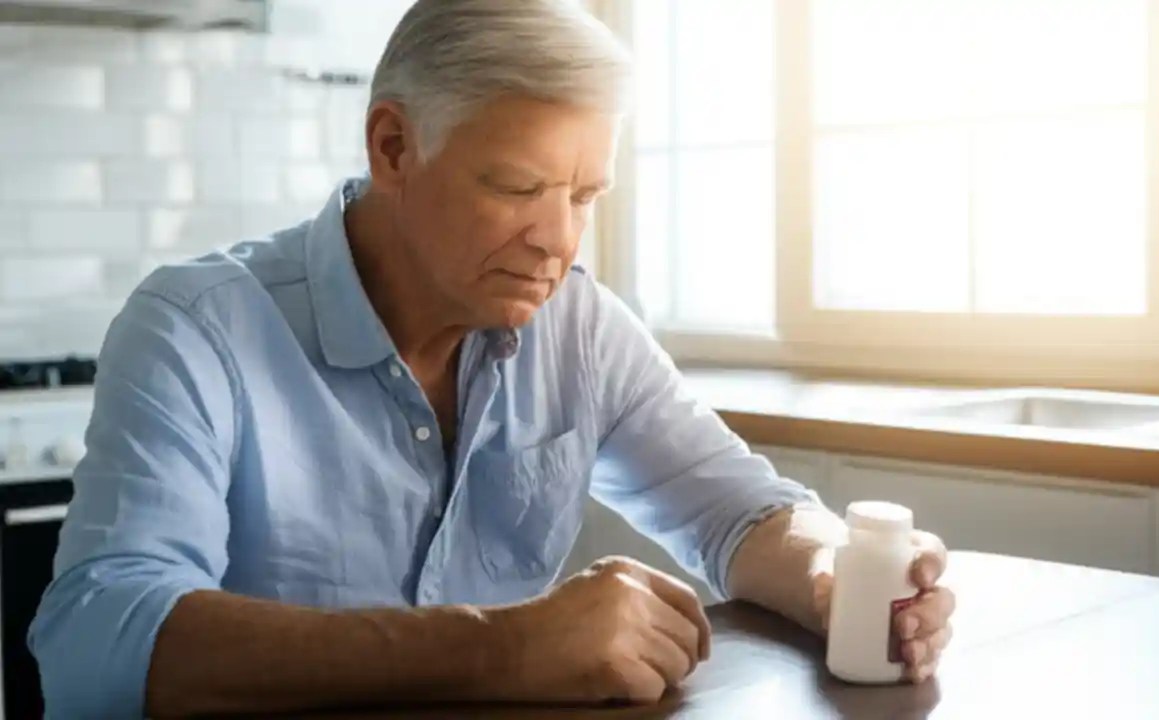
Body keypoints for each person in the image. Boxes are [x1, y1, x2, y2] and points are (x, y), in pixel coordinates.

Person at [29, 1, 955, 716]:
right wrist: (499, 647)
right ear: (393, 146)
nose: (558, 240)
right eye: (518, 187)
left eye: (586, 195)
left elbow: (743, 515)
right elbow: (96, 646)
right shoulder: (196, 329)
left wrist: (838, 576)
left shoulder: (581, 328)